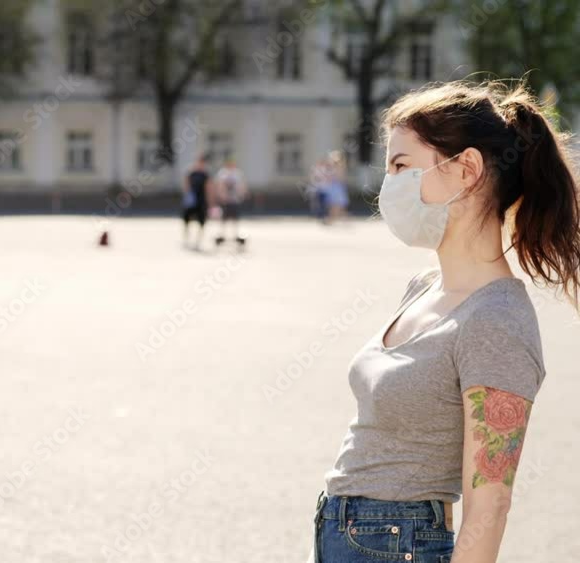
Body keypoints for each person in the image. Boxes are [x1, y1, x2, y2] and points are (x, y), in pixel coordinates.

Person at [313, 81, 579, 563]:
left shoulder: (497, 318)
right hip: (352, 535)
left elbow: (490, 504)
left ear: (467, 170)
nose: (388, 185)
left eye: (401, 167)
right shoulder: (422, 286)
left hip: (394, 542)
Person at [214, 157, 249, 249]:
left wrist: (242, 194)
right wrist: (221, 196)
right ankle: (222, 234)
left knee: (235, 218)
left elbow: (242, 185)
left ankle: (235, 234)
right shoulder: (223, 173)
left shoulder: (237, 173)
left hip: (235, 200)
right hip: (225, 200)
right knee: (224, 218)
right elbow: (219, 186)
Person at [182, 154, 212, 250]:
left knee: (201, 220)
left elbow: (208, 188)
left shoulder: (205, 174)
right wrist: (187, 197)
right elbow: (186, 185)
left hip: (201, 200)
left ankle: (198, 239)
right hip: (192, 199)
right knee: (187, 218)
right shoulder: (191, 173)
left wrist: (210, 201)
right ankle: (187, 237)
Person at [324, 150, 349, 223]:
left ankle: (331, 219)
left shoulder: (339, 167)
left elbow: (340, 178)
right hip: (335, 188)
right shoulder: (335, 167)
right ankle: (333, 219)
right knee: (335, 205)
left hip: (337, 188)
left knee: (336, 205)